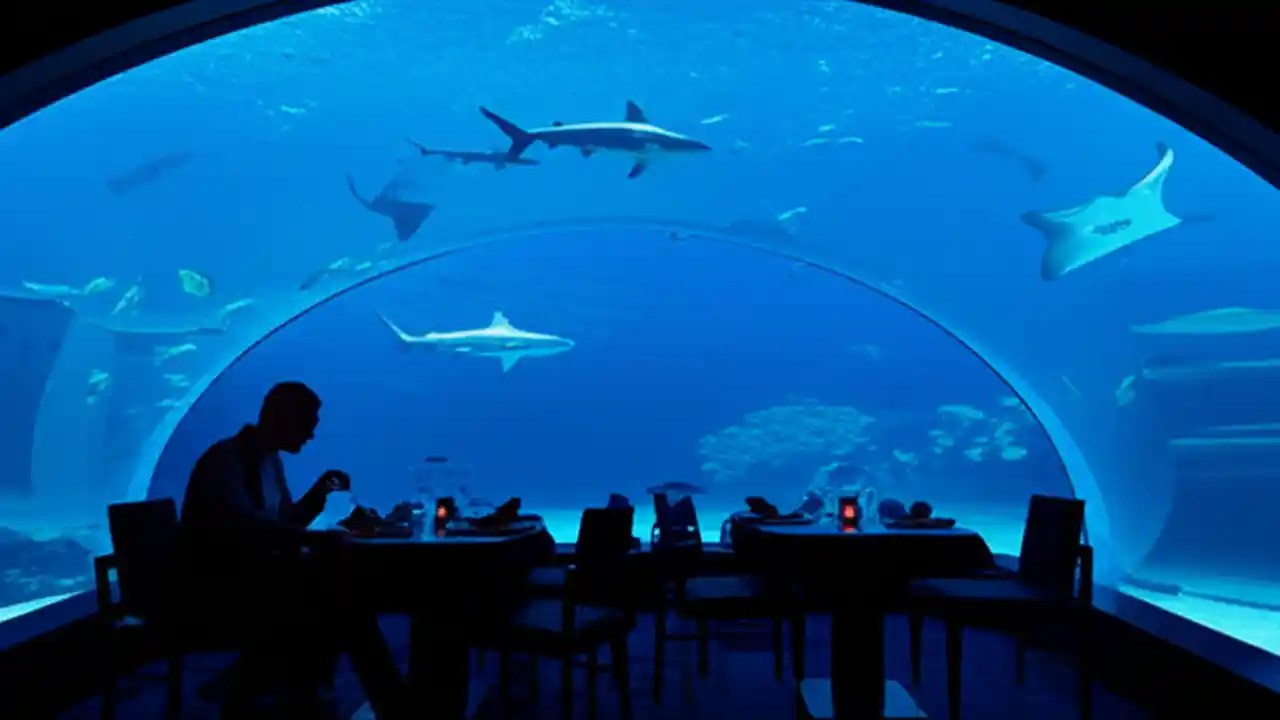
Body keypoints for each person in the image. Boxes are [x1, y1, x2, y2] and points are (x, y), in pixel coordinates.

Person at [179, 381, 408, 719]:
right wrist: (321, 539)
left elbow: (287, 522)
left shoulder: (269, 459)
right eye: (308, 424)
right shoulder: (225, 459)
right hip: (220, 587)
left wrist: (322, 490)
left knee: (340, 597)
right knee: (342, 601)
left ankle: (276, 684)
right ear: (282, 418)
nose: (312, 434)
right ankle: (370, 699)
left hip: (256, 579)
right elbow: (247, 528)